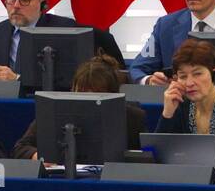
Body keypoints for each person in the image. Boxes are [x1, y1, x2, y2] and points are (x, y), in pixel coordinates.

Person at [11, 56, 146, 161]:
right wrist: (36, 156)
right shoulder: (55, 110)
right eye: (81, 93)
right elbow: (21, 148)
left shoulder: (132, 117)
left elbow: (145, 158)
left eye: (95, 96)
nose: (87, 101)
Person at [155, 38, 215, 134]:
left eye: (197, 74)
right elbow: (157, 148)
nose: (189, 83)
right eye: (183, 76)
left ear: (213, 74)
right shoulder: (179, 106)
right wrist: (167, 114)